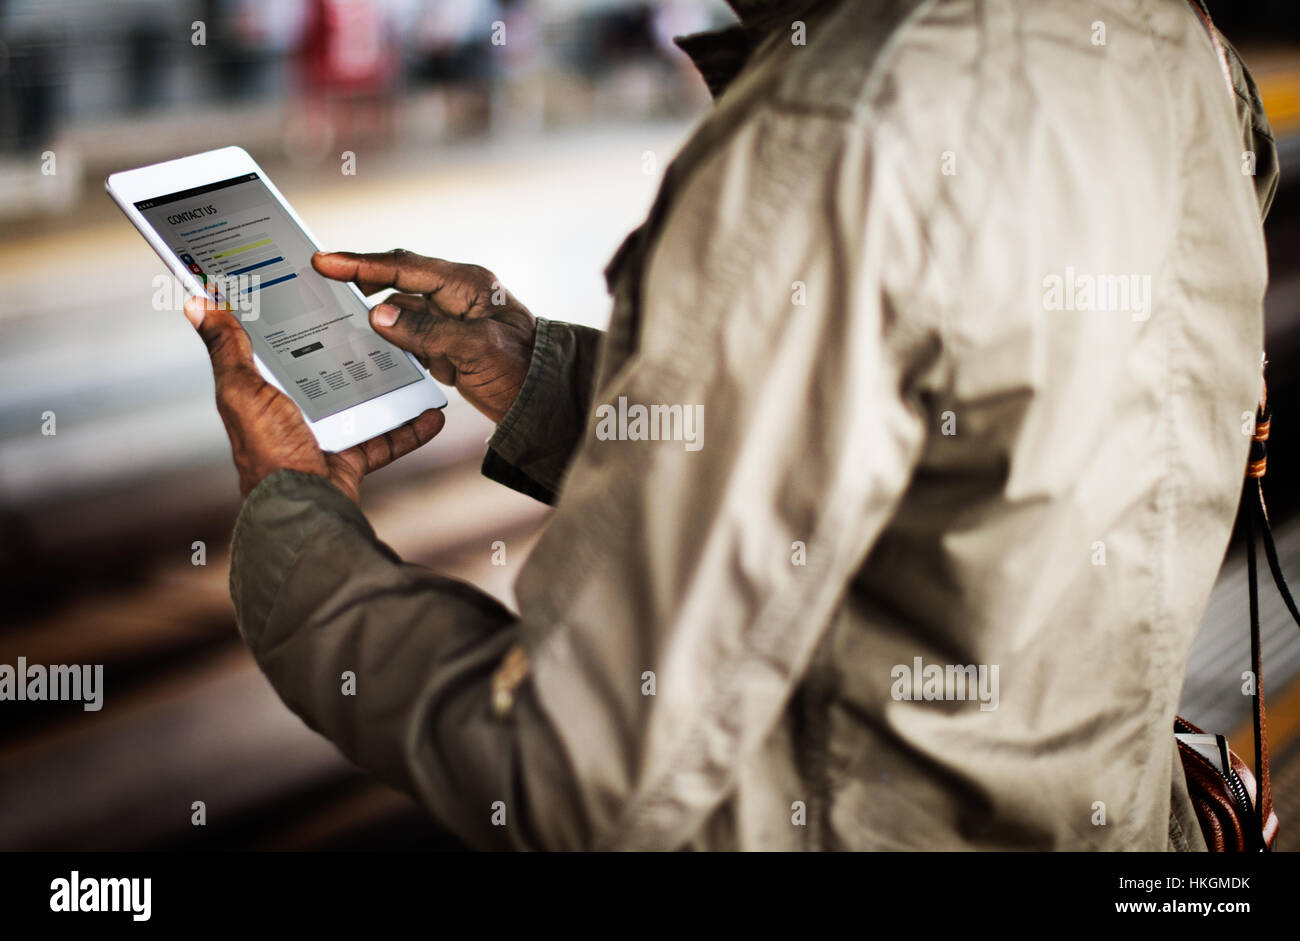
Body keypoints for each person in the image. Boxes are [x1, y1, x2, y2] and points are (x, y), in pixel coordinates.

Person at [182, 0, 1278, 850]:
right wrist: (533, 370)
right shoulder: (1165, 49)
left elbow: (574, 775)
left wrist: (299, 529)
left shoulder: (842, 119)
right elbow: (957, 444)